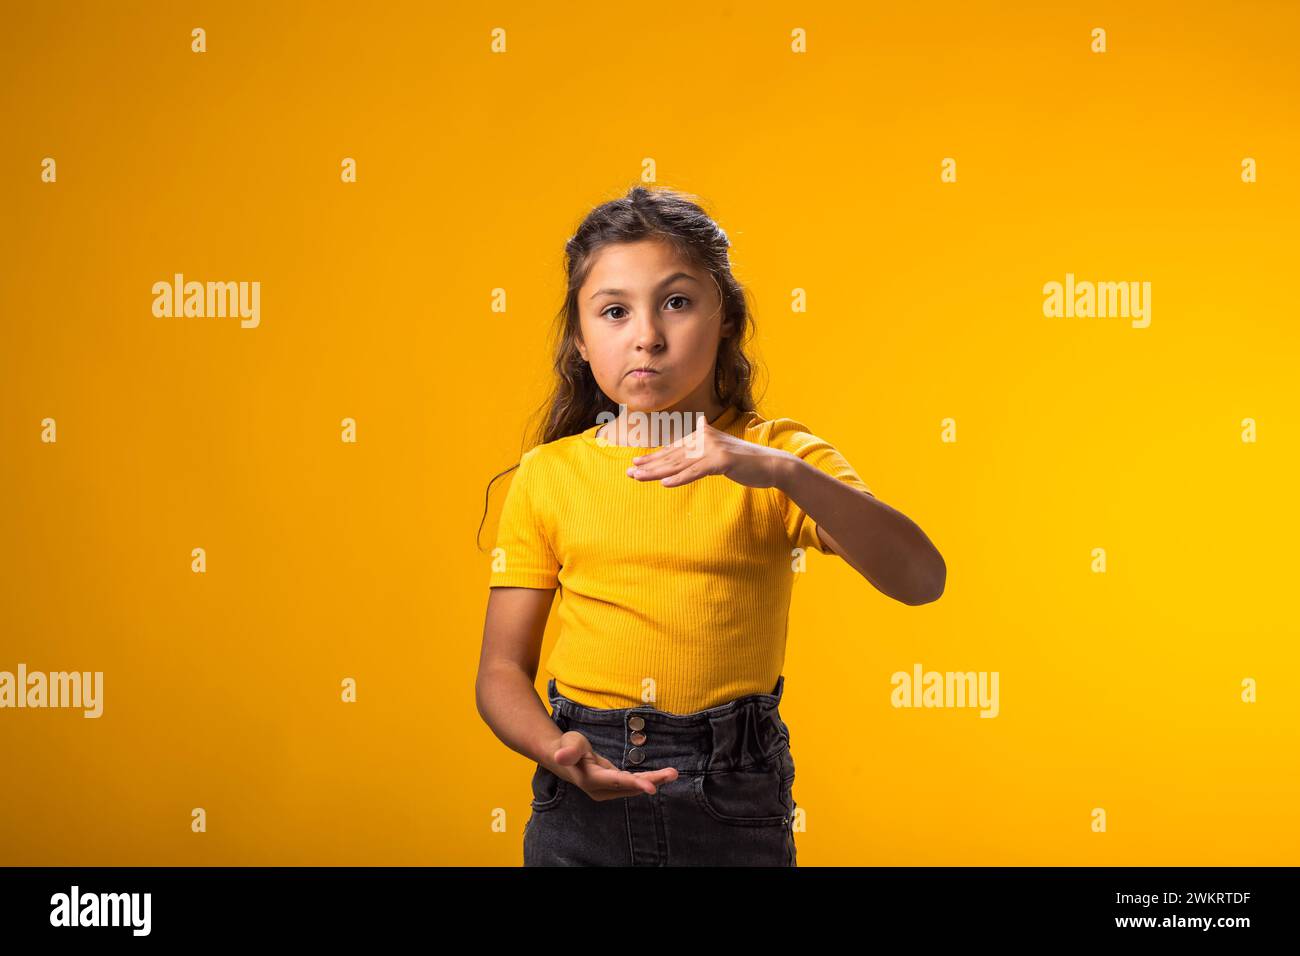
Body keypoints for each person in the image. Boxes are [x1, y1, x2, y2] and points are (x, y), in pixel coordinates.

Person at [475, 185, 946, 866]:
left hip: (732, 798)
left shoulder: (778, 459)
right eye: (614, 312)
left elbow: (921, 579)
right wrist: (558, 749)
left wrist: (782, 471)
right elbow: (499, 671)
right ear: (580, 340)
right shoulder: (549, 475)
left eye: (676, 301)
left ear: (726, 316)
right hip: (581, 798)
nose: (647, 336)